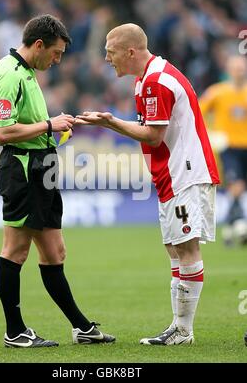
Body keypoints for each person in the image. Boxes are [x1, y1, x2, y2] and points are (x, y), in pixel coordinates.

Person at [77, 23, 220, 345]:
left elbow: (154, 135)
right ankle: (179, 327)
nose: (106, 58)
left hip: (184, 173)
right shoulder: (148, 78)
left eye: (110, 52)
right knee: (174, 247)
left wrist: (110, 121)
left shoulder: (156, 81)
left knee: (186, 247)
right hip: (173, 173)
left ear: (130, 51)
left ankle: (184, 331)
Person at [0, 14, 115, 348]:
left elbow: (29, 125)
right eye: (55, 53)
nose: (57, 61)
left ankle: (82, 328)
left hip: (42, 168)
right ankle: (14, 331)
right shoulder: (8, 75)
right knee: (15, 251)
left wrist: (55, 126)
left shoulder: (26, 73)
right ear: (39, 45)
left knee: (55, 252)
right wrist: (48, 126)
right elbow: (2, 132)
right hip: (24, 169)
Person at [199, 55, 247, 247]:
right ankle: (241, 224)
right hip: (228, 147)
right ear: (229, 71)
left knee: (239, 188)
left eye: (242, 67)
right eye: (236, 68)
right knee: (236, 185)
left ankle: (229, 228)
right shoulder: (217, 92)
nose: (240, 71)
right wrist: (210, 133)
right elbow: (198, 112)